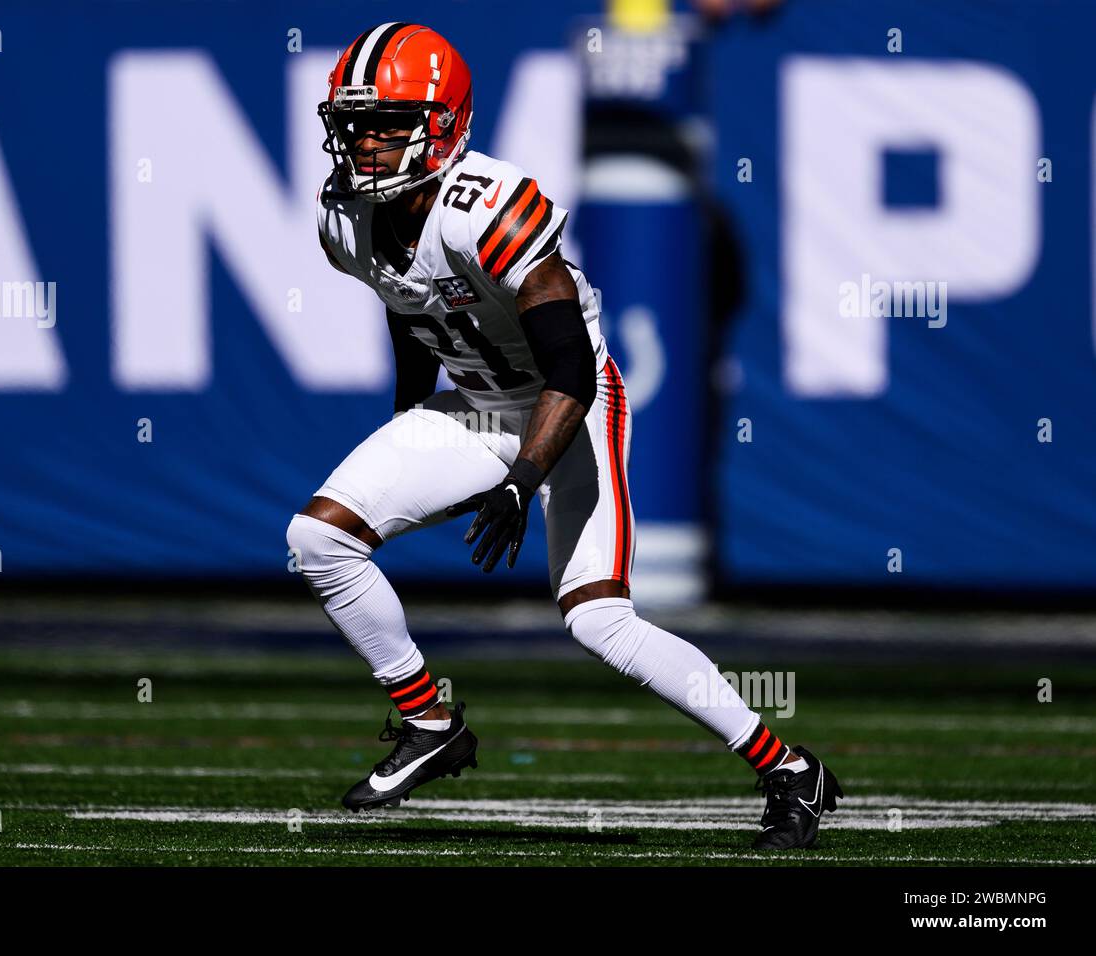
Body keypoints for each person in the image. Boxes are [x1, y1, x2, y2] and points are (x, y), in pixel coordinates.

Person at [287, 22, 841, 848]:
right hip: (475, 405)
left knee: (597, 618)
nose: (367, 143)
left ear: (440, 125)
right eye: (357, 123)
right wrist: (410, 416)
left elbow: (572, 371)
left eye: (388, 123)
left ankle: (791, 769)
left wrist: (522, 480)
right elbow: (411, 307)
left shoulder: (488, 209)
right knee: (318, 540)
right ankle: (428, 718)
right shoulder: (347, 224)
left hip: (566, 405)